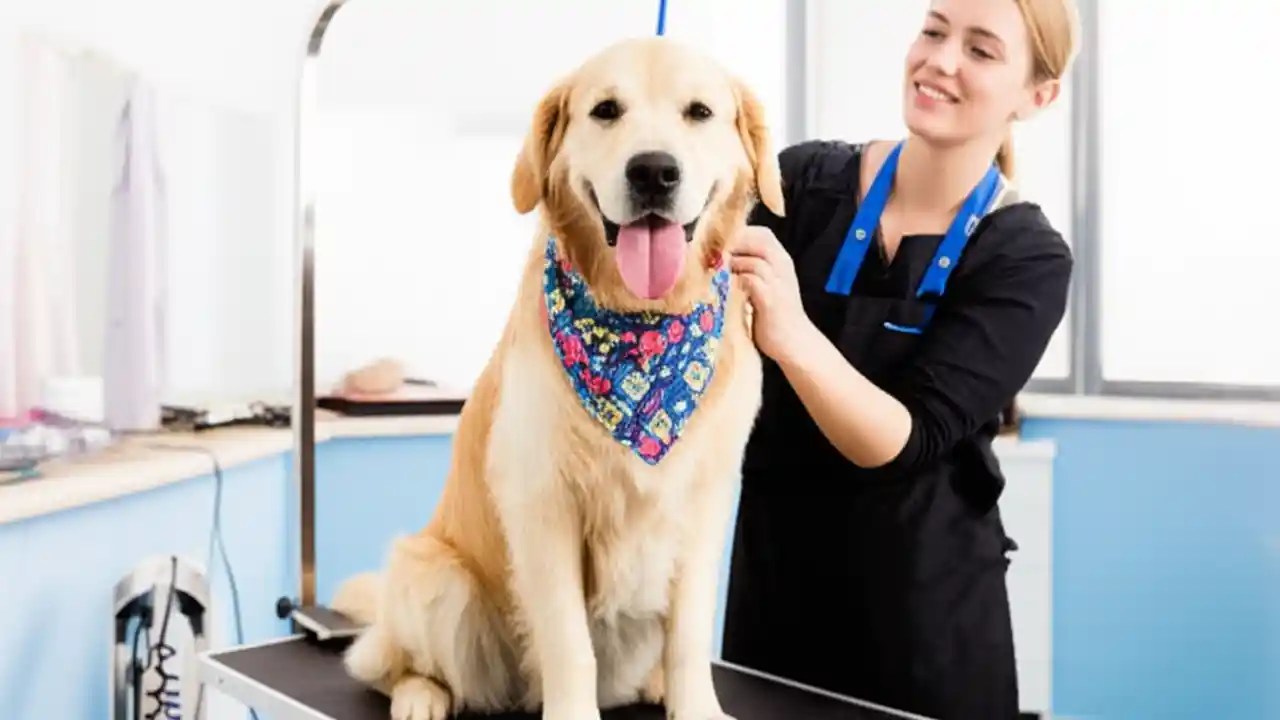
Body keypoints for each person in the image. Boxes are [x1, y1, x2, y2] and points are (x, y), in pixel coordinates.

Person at [720, 0, 1079, 718]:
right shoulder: (801, 184)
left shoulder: (1025, 259)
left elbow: (904, 440)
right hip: (774, 606)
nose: (941, 60)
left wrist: (790, 331)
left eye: (981, 50)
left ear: (1036, 96)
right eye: (934, 29)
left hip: (923, 631)